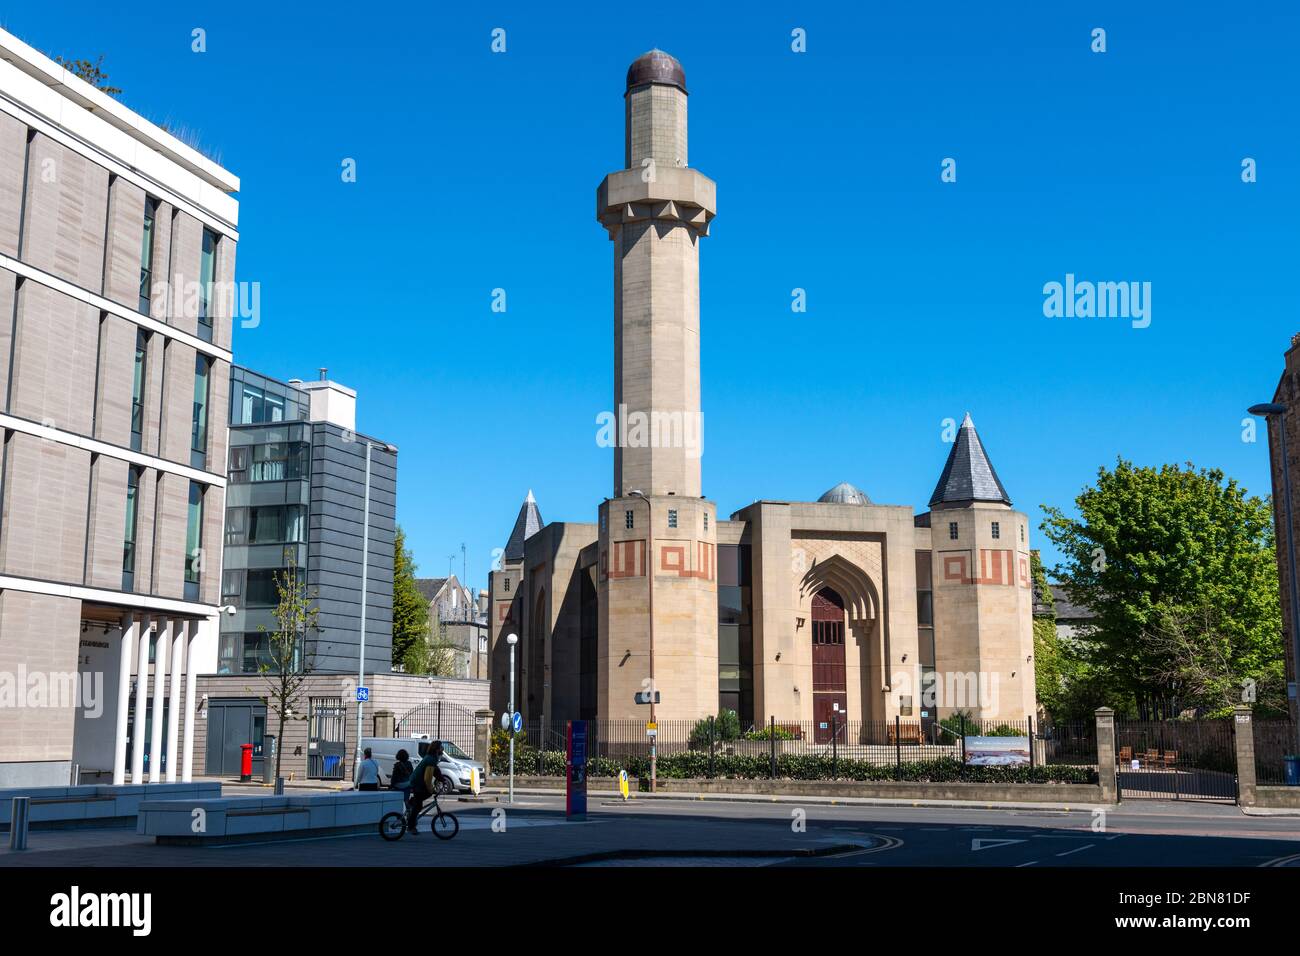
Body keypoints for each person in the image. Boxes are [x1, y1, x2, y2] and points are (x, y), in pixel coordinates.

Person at [404, 741, 445, 834]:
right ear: (437, 749)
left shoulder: (432, 759)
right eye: (441, 747)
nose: (442, 749)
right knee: (418, 806)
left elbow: (436, 771)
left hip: (418, 782)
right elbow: (427, 778)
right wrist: (431, 788)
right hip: (417, 783)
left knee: (421, 798)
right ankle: (410, 826)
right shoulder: (430, 760)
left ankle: (411, 802)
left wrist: (443, 780)